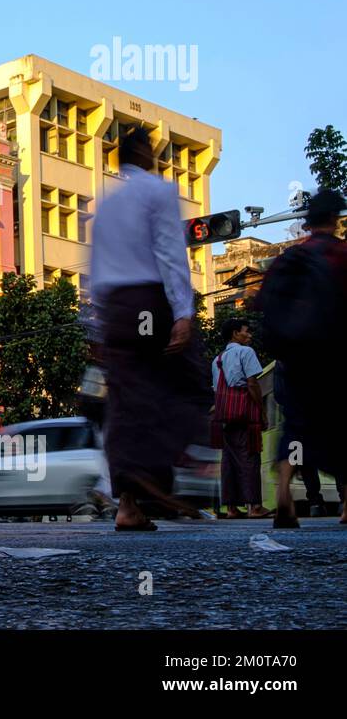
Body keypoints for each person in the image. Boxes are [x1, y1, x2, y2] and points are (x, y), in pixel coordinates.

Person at [90, 128, 209, 531]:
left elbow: (96, 271)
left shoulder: (105, 205)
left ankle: (127, 503)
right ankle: (155, 466)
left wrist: (96, 328)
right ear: (144, 152)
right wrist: (183, 312)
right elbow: (170, 251)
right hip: (149, 301)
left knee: (125, 399)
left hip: (116, 310)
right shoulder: (159, 191)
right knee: (191, 387)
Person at [258, 188, 347, 529]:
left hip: (295, 357)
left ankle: (283, 493)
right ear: (334, 219)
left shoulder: (289, 259)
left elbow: (263, 304)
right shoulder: (341, 255)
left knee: (295, 425)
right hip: (335, 355)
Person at [210, 318, 271, 519]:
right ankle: (254, 506)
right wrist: (262, 412)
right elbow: (252, 383)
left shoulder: (217, 359)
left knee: (229, 461)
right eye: (246, 331)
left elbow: (217, 388)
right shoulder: (246, 352)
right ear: (236, 334)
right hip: (244, 412)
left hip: (224, 415)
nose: (249, 335)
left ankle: (231, 508)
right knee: (250, 457)